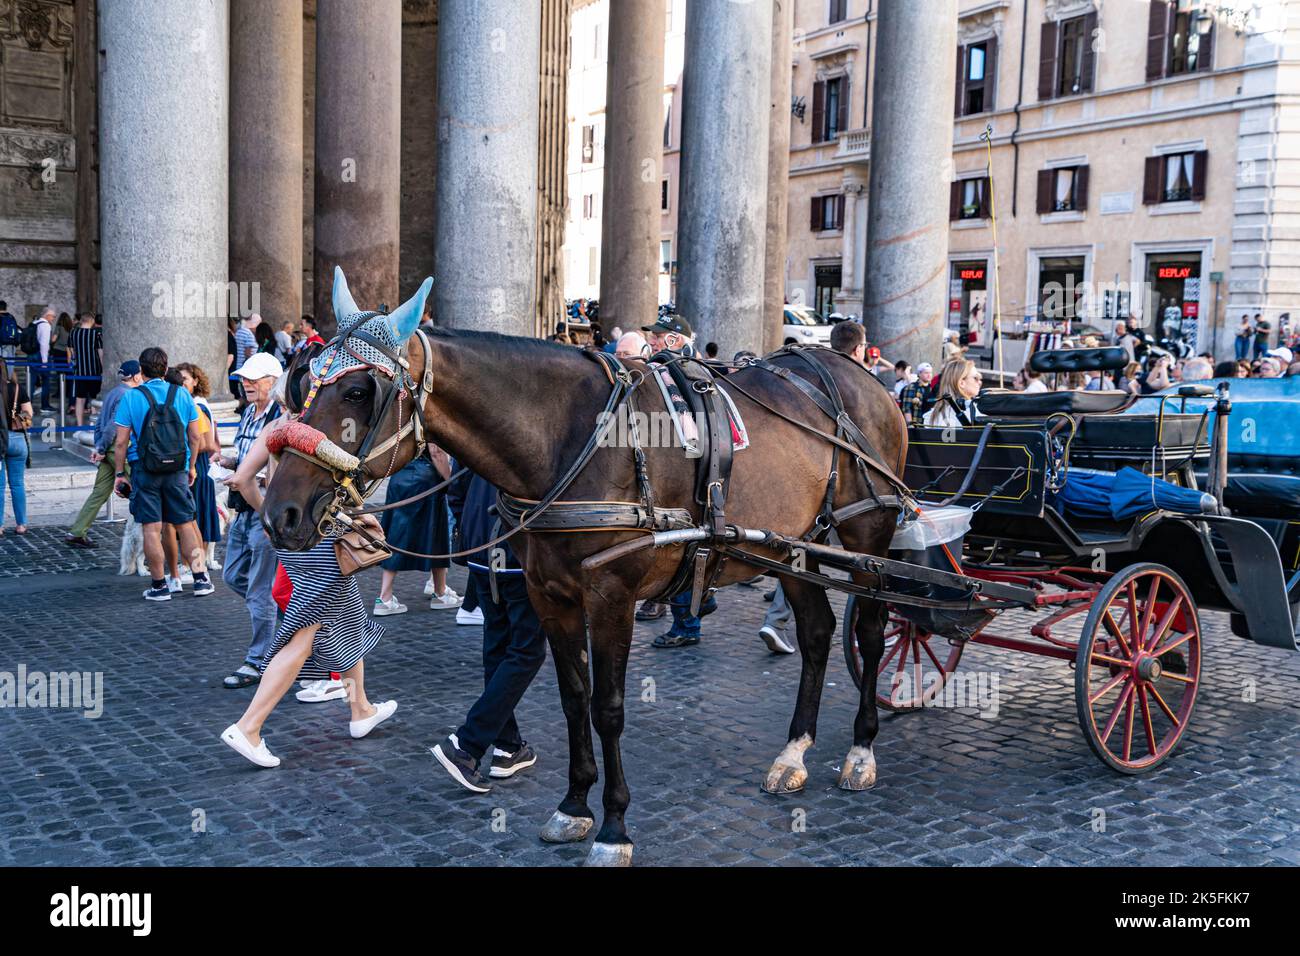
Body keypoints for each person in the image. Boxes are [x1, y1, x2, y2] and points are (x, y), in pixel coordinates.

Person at [219, 416, 396, 769]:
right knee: (301, 637)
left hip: (293, 540)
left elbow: (241, 480)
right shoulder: (322, 433)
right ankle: (249, 727)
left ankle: (360, 709)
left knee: (349, 621)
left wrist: (272, 521)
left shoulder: (277, 430)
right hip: (321, 542)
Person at [431, 465, 545, 792]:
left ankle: (509, 746)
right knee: (526, 651)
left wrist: (469, 533)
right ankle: (467, 743)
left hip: (481, 549)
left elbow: (457, 492)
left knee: (497, 648)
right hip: (516, 552)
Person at [111, 346, 213, 601]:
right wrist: (190, 466)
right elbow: (195, 435)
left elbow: (121, 442)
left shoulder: (132, 398)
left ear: (141, 371)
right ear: (166, 369)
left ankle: (159, 586)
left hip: (145, 471)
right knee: (186, 525)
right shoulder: (181, 395)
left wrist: (120, 473)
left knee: (151, 529)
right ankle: (200, 579)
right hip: (177, 469)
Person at [215, 352, 284, 689]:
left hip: (262, 510)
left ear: (273, 382)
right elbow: (249, 459)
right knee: (231, 577)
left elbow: (277, 469)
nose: (246, 383)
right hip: (242, 507)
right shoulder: (249, 414)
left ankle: (259, 661)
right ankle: (280, 618)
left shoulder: (280, 418)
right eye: (244, 378)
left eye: (254, 379)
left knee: (259, 592)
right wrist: (230, 461)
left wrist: (253, 480)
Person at [373, 444, 462, 616]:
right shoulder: (429, 417)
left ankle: (386, 597)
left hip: (399, 478)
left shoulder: (402, 418)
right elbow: (437, 452)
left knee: (396, 536)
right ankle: (439, 593)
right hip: (425, 480)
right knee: (436, 535)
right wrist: (452, 481)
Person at [65, 360, 143, 549]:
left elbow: (100, 423)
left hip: (108, 449)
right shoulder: (128, 394)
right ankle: (147, 533)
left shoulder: (113, 393)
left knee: (99, 493)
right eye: (140, 373)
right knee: (141, 489)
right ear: (135, 376)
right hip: (119, 450)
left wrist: (100, 446)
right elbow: (113, 426)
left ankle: (77, 531)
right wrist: (101, 448)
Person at [173, 363, 223, 571]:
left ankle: (193, 566)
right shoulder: (191, 404)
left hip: (197, 467)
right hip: (196, 467)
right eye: (180, 379)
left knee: (197, 520)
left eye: (186, 378)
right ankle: (194, 566)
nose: (183, 383)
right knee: (196, 519)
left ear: (195, 381)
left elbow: (207, 443)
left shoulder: (197, 406)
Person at [1, 365, 32, 536]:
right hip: (18, 440)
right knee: (17, 484)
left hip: (1, 440)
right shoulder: (18, 388)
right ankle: (21, 524)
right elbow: (29, 413)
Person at [67, 312, 102, 427]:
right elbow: (100, 352)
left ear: (81, 321)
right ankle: (93, 424)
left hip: (79, 371)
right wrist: (102, 367)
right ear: (92, 321)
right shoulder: (96, 334)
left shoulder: (73, 333)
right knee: (94, 399)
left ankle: (80, 425)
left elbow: (71, 350)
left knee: (79, 399)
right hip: (94, 371)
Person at [924, 359, 982, 428]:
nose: (980, 382)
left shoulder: (931, 416)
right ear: (961, 383)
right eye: (976, 378)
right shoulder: (975, 413)